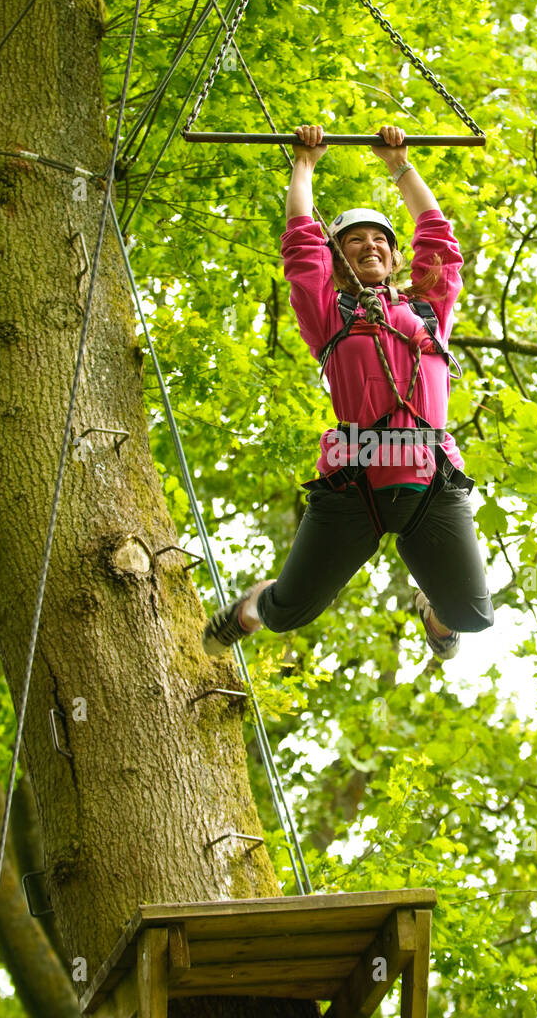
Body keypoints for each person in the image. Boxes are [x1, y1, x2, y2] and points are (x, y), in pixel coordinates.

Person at [202, 122, 494, 661]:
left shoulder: (427, 308)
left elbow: (438, 238)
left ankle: (431, 607)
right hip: (353, 484)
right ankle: (247, 608)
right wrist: (305, 165)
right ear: (339, 259)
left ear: (396, 256)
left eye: (380, 239)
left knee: (472, 616)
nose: (370, 245)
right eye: (355, 240)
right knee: (288, 609)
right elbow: (301, 244)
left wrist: (399, 164)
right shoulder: (328, 312)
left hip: (429, 479)